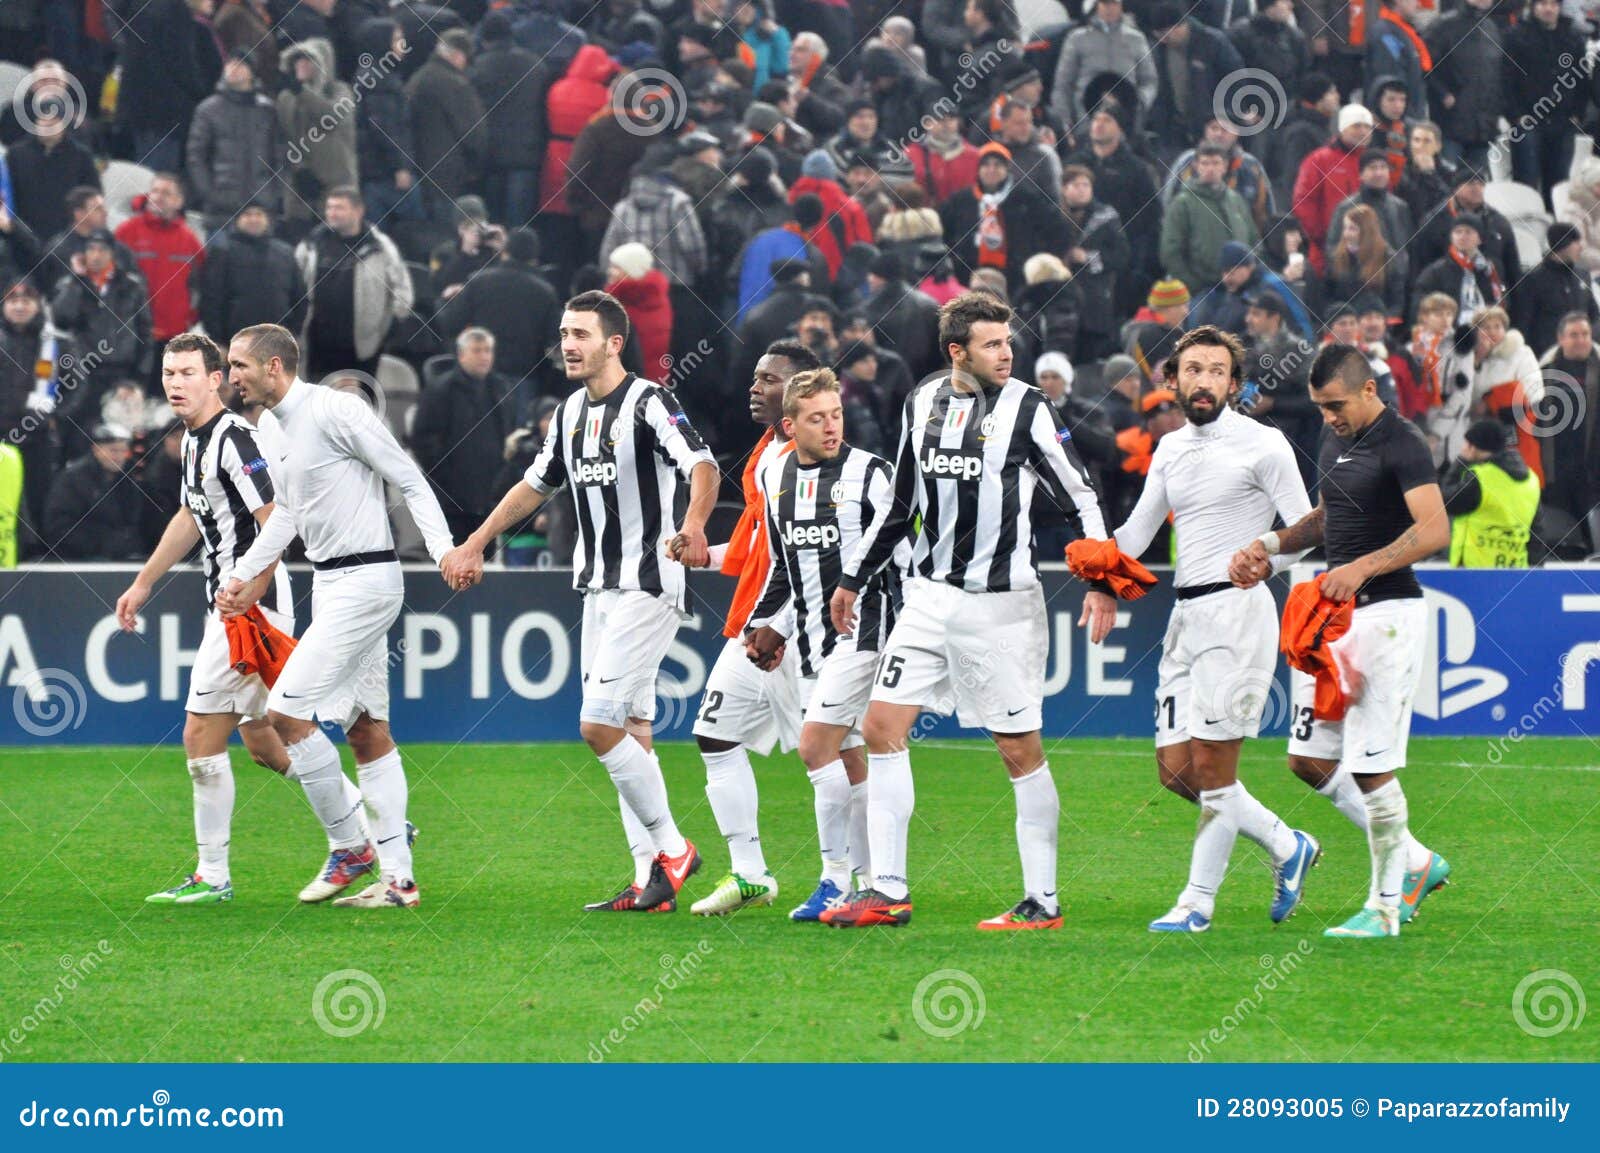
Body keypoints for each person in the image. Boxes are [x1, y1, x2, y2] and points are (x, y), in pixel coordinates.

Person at [821, 292, 1119, 929]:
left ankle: (1042, 899)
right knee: (880, 727)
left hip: (1000, 607)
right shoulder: (923, 400)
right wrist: (852, 577)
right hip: (928, 597)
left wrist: (1102, 580)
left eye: (1007, 341)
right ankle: (888, 891)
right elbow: (900, 502)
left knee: (1018, 748)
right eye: (991, 344)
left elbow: (1081, 498)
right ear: (957, 352)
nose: (1006, 353)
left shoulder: (1030, 410)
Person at [440, 292, 718, 913]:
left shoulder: (650, 402)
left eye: (581, 334)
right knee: (631, 729)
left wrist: (695, 525)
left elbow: (702, 465)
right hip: (597, 587)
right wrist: (476, 543)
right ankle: (654, 877)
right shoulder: (568, 413)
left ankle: (674, 848)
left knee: (597, 725)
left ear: (614, 343)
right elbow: (535, 484)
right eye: (564, 333)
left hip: (648, 581)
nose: (568, 344)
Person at [115, 333, 375, 905]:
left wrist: (250, 589)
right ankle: (365, 829)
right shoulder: (192, 442)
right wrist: (144, 581)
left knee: (200, 734)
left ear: (215, 379)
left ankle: (214, 875)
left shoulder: (236, 437)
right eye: (168, 374)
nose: (174, 384)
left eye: (186, 373)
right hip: (234, 599)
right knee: (264, 738)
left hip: (248, 603)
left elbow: (275, 517)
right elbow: (191, 513)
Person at [217, 324, 454, 910]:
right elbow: (289, 513)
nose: (232, 376)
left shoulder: (335, 411)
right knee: (367, 730)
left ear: (274, 367)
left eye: (239, 365)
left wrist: (446, 550)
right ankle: (399, 881)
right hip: (330, 582)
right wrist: (247, 573)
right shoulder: (271, 427)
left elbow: (407, 476)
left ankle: (351, 846)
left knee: (285, 713)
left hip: (368, 580)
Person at [1230, 342, 1452, 937]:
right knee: (1309, 759)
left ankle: (1383, 909)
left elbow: (1434, 529)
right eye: (1321, 406)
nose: (1329, 416)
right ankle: (1416, 861)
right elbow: (1328, 518)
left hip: (1387, 615)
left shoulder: (1402, 442)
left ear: (1369, 390)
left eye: (1336, 404)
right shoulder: (1334, 441)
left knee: (1372, 766)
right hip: (1335, 618)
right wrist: (1272, 548)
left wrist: (1363, 567)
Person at [1113, 326, 1318, 932]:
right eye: (1193, 369)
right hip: (1185, 616)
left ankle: (1197, 903)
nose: (1204, 380)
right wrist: (1096, 561)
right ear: (1172, 380)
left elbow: (1306, 527)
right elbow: (1137, 532)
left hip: (1237, 612)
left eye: (1217, 371)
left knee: (1213, 768)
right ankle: (1288, 845)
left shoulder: (1264, 443)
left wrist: (1265, 558)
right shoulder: (1171, 449)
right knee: (1177, 771)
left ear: (1235, 382)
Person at [740, 366, 904, 919]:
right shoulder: (775, 478)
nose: (832, 427)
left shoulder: (873, 474)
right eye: (817, 418)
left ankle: (835, 878)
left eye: (835, 415)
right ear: (790, 426)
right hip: (811, 642)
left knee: (815, 747)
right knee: (850, 760)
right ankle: (865, 880)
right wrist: (766, 625)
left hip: (867, 635)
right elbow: (784, 567)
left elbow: (903, 560)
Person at [675, 344, 820, 915]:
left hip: (798, 630)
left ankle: (864, 876)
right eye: (755, 378)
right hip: (754, 627)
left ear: (800, 390)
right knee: (714, 733)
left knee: (834, 752)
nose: (754, 388)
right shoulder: (765, 453)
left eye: (769, 380)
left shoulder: (815, 461)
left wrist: (781, 621)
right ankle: (751, 873)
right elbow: (755, 545)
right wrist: (703, 555)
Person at [411, 328, 519, 547]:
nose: (484, 356)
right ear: (461, 355)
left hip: (491, 495)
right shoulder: (440, 390)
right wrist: (446, 480)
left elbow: (508, 431)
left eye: (488, 350)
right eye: (477, 351)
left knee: (486, 561)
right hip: (452, 499)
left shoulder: (500, 388)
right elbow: (423, 440)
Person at [293, 187, 413, 381]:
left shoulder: (380, 247)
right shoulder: (311, 244)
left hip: (363, 346)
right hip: (318, 343)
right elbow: (295, 282)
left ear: (358, 211)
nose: (332, 213)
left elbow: (402, 290)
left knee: (361, 404)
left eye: (339, 208)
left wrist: (387, 327)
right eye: (329, 208)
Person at [49, 230, 153, 449]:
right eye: (91, 250)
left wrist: (138, 378)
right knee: (80, 439)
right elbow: (61, 319)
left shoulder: (131, 286)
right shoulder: (71, 283)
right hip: (83, 374)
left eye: (102, 250)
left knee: (119, 438)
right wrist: (78, 280)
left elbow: (145, 332)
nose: (95, 255)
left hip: (120, 374)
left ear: (112, 253)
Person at [437, 228, 562, 398]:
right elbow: (554, 339)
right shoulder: (546, 293)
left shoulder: (479, 281)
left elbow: (451, 323)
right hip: (524, 378)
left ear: (505, 251)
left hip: (480, 374)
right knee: (517, 425)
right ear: (534, 258)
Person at [114, 173, 204, 387]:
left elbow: (201, 285)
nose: (159, 197)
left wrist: (189, 317)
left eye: (166, 193)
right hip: (133, 332)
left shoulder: (189, 239)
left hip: (172, 335)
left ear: (179, 201)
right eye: (155, 191)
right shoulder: (126, 232)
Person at [187, 50, 283, 230]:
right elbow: (196, 157)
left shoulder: (267, 110)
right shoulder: (208, 109)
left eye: (240, 64)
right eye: (230, 64)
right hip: (221, 208)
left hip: (261, 205)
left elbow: (278, 155)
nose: (233, 69)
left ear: (252, 72)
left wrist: (274, 193)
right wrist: (210, 194)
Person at [277, 39, 359, 235]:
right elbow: (285, 138)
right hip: (300, 184)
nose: (301, 65)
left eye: (308, 60)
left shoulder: (339, 91)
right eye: (297, 61)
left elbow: (332, 118)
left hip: (336, 182)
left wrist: (303, 93)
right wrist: (299, 169)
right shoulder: (286, 97)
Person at [406, 29, 489, 222]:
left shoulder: (417, 78)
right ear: (459, 55)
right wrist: (477, 167)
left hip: (419, 169)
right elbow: (474, 134)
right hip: (448, 173)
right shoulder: (455, 84)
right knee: (450, 230)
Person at [197, 201, 305, 346]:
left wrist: (293, 332)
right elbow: (211, 299)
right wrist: (217, 340)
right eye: (247, 214)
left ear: (268, 220)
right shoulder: (222, 252)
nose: (254, 219)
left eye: (259, 214)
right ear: (238, 220)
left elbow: (300, 296)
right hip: (235, 342)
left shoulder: (285, 252)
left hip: (276, 342)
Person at [1159, 144, 1259, 298]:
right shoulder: (1182, 203)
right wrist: (1194, 286)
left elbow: (1254, 240)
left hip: (1242, 290)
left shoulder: (1236, 200)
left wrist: (1249, 274)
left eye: (1216, 163)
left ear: (1225, 166)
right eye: (1205, 163)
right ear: (1196, 167)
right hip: (1202, 292)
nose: (1210, 168)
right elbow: (1171, 252)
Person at [1441, 419, 1540, 567]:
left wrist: (1460, 461)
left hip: (1477, 572)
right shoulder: (1531, 479)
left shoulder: (1480, 479)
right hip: (1517, 569)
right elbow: (1538, 530)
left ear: (1472, 447)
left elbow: (1446, 501)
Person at [1538, 313, 1600, 547]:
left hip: (1593, 470)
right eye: (1574, 335)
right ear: (1560, 339)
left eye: (1585, 334)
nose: (1581, 340)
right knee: (1560, 537)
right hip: (1556, 470)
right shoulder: (1543, 372)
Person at [1424, 0, 1504, 173]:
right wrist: (1443, 94)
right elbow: (1424, 66)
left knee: (1477, 188)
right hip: (1450, 125)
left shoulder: (1491, 27)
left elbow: (1496, 76)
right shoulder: (1444, 25)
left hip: (1483, 128)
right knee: (1447, 185)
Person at [1060, 165, 1130, 361]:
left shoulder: (1106, 217)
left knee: (1091, 353)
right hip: (1061, 298)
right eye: (1076, 184)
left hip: (1095, 299)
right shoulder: (1053, 216)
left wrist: (1088, 258)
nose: (1082, 189)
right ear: (1064, 189)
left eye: (1086, 184)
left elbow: (1121, 255)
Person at [1050, 0, 1156, 127]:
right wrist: (1064, 123)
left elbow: (1149, 80)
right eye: (1105, 4)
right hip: (1086, 121)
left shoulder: (1136, 39)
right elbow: (1063, 85)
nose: (1110, 8)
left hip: (1127, 121)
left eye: (1114, 4)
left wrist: (1139, 103)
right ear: (1096, 6)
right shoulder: (1077, 38)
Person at [1469, 306, 1545, 484]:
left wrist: (1493, 401)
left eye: (1498, 326)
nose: (1493, 332)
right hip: (1479, 430)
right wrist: (1476, 360)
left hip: (1516, 429)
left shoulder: (1520, 353)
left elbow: (1535, 388)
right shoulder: (1468, 358)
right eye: (1486, 327)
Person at [1294, 104, 1372, 272]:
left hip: (1368, 251)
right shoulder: (1320, 159)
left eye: (1367, 127)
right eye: (1357, 125)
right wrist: (1324, 236)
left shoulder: (1373, 162)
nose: (1363, 131)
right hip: (1326, 252)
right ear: (1342, 128)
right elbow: (1304, 200)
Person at [1189, 242, 1312, 338]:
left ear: (1249, 267)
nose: (1226, 278)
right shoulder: (1228, 292)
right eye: (1224, 272)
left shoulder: (1275, 284)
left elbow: (1301, 322)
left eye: (1232, 272)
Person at [1513, 224, 1600, 357]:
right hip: (1551, 358)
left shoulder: (1582, 275)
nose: (1581, 247)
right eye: (1575, 242)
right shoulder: (1533, 280)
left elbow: (1594, 314)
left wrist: (1588, 340)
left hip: (1586, 356)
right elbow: (1524, 323)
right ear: (1562, 244)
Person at [1411, 214, 1504, 327]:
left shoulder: (1489, 269)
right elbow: (1421, 304)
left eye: (1468, 232)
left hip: (1486, 328)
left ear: (1479, 238)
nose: (1462, 236)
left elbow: (1500, 299)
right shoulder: (1435, 271)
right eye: (1457, 232)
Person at [1325, 203, 1408, 323]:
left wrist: (1381, 324)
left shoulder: (1388, 259)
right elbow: (1328, 297)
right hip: (1346, 327)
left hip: (1378, 326)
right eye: (1345, 228)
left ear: (1366, 231)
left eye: (1352, 229)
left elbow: (1396, 302)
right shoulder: (1335, 258)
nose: (1345, 234)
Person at [1325, 150, 1414, 259]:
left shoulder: (1400, 207)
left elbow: (1408, 248)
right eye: (1373, 168)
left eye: (1383, 167)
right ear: (1361, 174)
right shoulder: (1346, 208)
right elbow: (1333, 249)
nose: (1379, 173)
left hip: (1395, 274)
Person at [1126, 279, 1191, 386]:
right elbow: (1167, 378)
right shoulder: (1152, 335)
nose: (1186, 312)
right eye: (1183, 306)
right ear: (1168, 308)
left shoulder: (1145, 330)